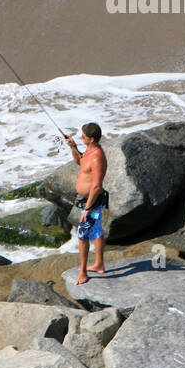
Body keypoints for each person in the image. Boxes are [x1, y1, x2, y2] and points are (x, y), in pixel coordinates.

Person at [65, 122, 108, 285]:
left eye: (83, 136)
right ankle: (99, 264)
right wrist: (73, 147)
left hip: (93, 201)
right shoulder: (90, 150)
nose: (80, 137)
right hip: (85, 200)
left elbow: (97, 186)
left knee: (82, 236)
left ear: (91, 139)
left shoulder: (97, 156)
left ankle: (82, 272)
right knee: (96, 230)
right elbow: (81, 162)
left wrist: (88, 209)